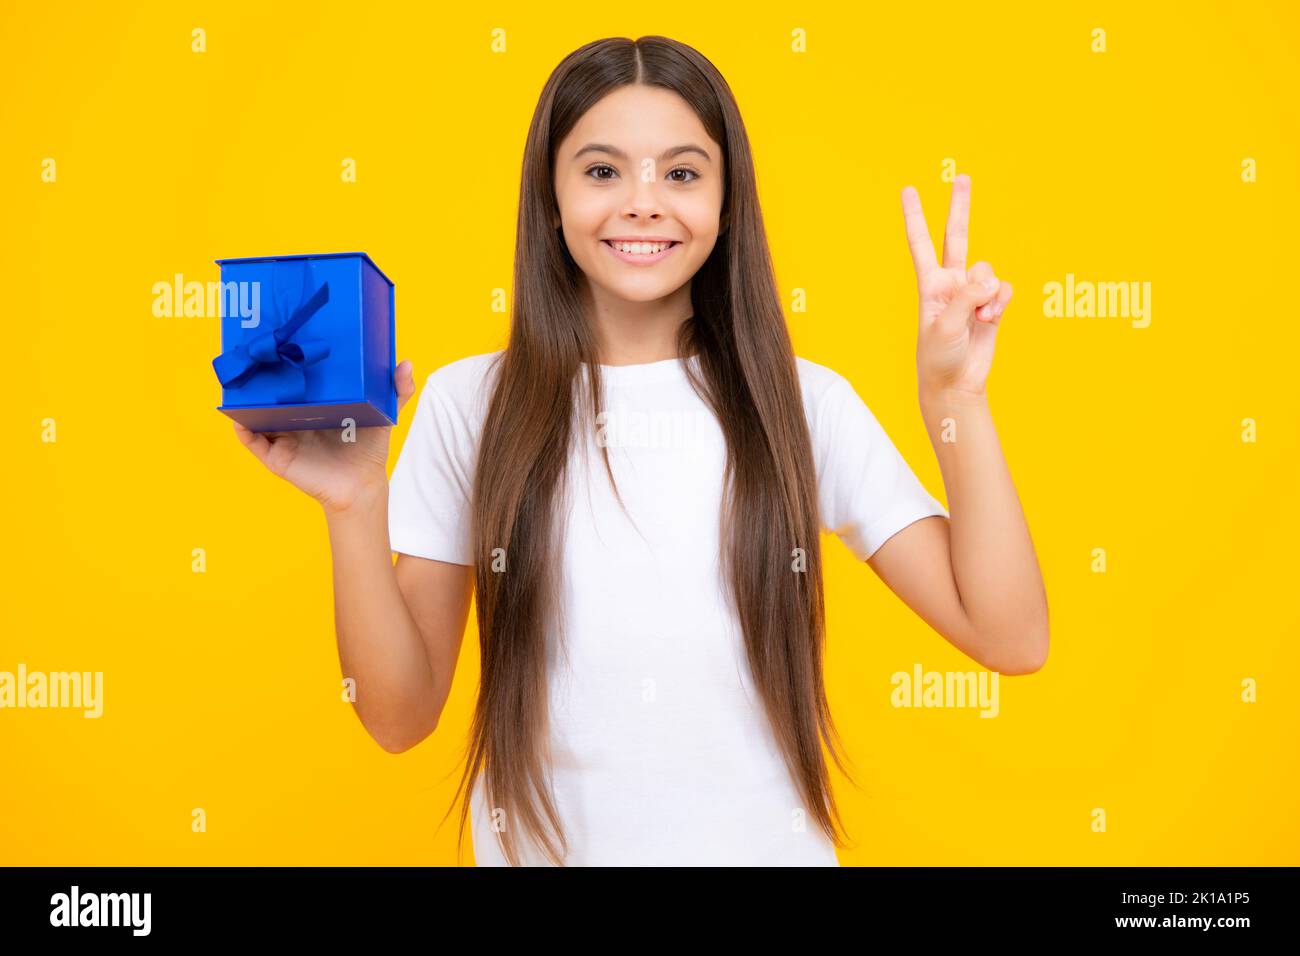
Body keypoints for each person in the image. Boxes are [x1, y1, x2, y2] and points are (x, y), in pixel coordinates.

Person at [231, 35, 1049, 866]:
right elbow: (398, 717)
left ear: (728, 206)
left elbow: (1012, 639)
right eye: (602, 171)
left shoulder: (801, 403)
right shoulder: (468, 403)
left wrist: (956, 399)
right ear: (549, 199)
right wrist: (355, 505)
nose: (644, 202)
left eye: (683, 173)